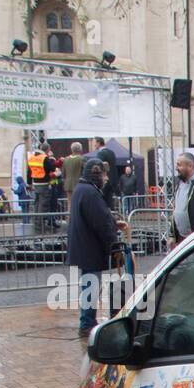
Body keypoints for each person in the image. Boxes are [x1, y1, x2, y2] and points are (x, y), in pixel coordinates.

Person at [67, 160, 127, 337]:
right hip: (89, 248)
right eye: (104, 174)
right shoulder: (90, 192)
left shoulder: (82, 189)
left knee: (89, 284)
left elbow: (99, 218)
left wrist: (114, 223)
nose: (106, 178)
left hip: (84, 247)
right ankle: (87, 323)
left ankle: (88, 321)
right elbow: (100, 222)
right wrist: (114, 245)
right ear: (96, 174)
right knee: (91, 286)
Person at [91, 137, 119, 210]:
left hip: (104, 180)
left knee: (102, 201)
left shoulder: (101, 153)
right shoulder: (112, 152)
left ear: (99, 143)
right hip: (112, 180)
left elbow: (98, 166)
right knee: (110, 201)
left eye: (95, 143)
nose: (94, 145)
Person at [62, 142, 86, 210]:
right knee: (79, 202)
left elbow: (63, 173)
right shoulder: (82, 159)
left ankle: (70, 218)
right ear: (80, 149)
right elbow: (85, 172)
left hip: (68, 184)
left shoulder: (66, 159)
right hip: (79, 184)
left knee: (70, 203)